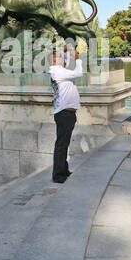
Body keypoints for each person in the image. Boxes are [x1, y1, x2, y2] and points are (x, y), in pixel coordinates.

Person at [47, 44, 83, 183]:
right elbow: (79, 73)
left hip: (65, 113)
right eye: (61, 57)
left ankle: (63, 169)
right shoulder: (58, 71)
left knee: (64, 143)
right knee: (61, 144)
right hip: (64, 113)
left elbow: (65, 60)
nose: (64, 59)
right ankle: (58, 175)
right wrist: (77, 57)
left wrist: (66, 50)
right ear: (55, 60)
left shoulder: (59, 70)